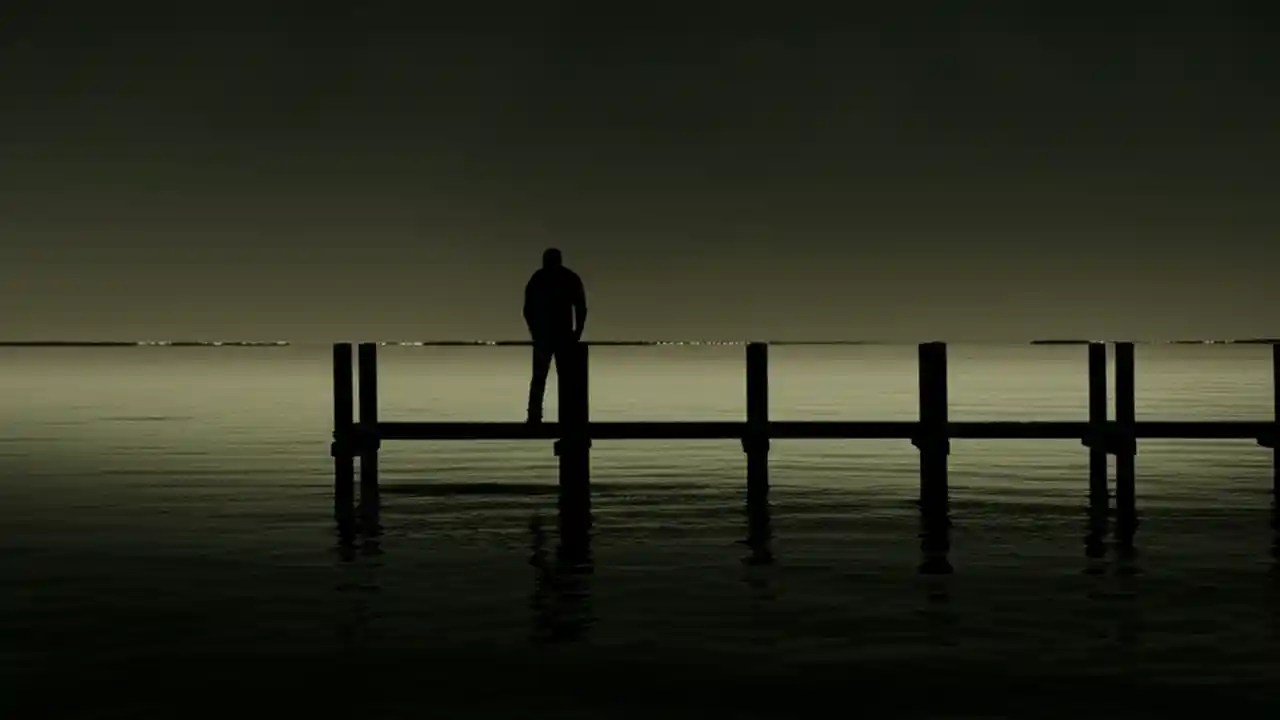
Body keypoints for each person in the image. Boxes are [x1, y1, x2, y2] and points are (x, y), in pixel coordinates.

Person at [523, 248, 587, 422]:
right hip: (564, 337)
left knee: (539, 378)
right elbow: (580, 306)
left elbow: (528, 308)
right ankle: (570, 417)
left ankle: (534, 416)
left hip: (544, 337)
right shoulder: (569, 278)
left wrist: (534, 331)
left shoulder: (538, 279)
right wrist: (577, 332)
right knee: (566, 378)